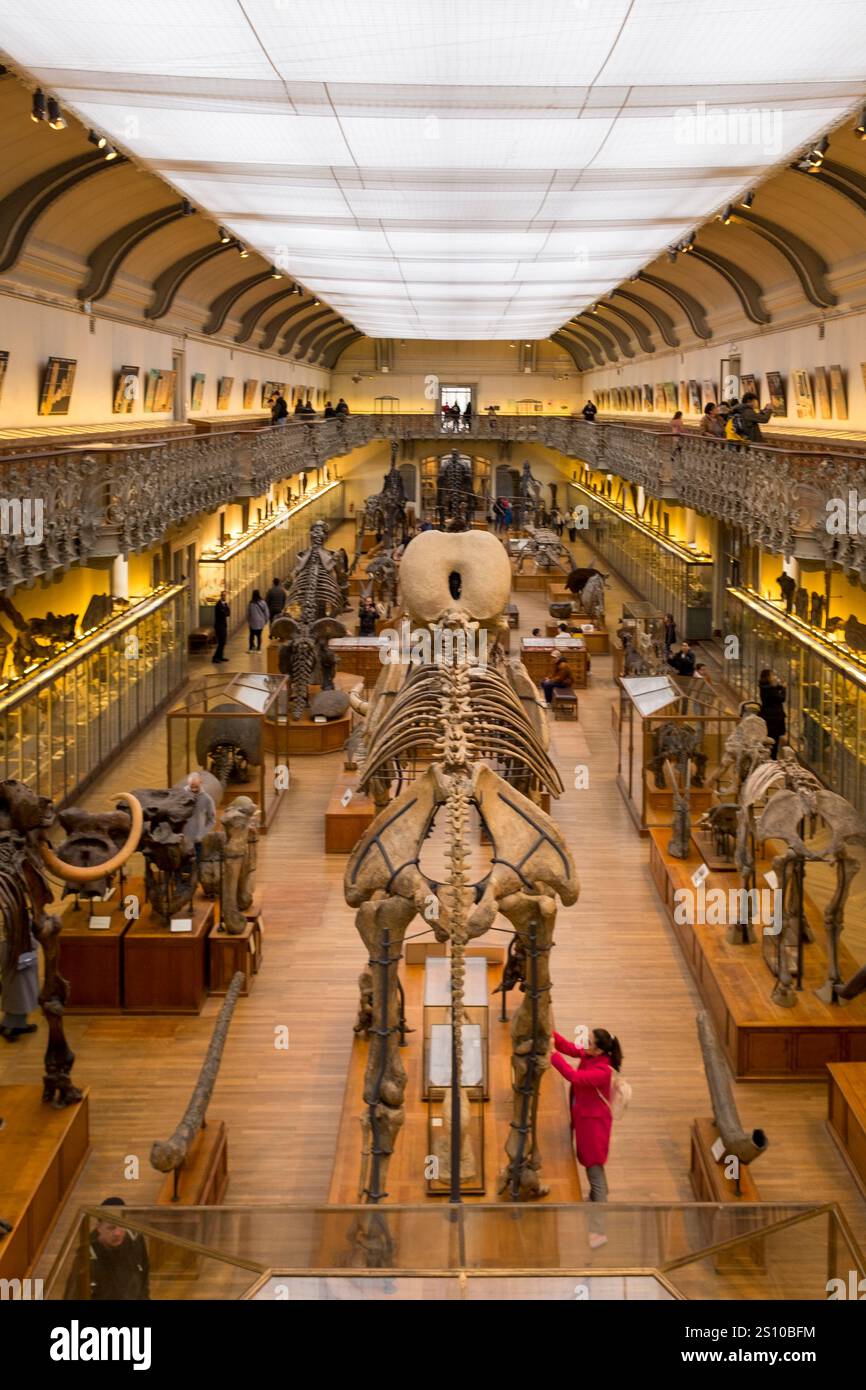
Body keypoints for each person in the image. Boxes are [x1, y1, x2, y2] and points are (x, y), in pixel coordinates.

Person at [551, 1027, 623, 1247]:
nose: (585, 1044)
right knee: (593, 1168)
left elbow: (574, 1076)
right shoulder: (593, 1054)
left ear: (599, 1048)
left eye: (590, 1042)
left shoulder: (603, 1070)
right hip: (585, 1120)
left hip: (593, 1126)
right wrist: (550, 1033)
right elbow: (571, 1048)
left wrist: (551, 1055)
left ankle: (598, 1230)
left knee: (594, 1169)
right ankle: (595, 1196)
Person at [80, 1198, 150, 1301]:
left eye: (121, 1225)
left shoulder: (135, 1238)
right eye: (111, 1228)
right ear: (99, 1227)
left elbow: (144, 1272)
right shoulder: (86, 1252)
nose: (117, 1233)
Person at [1, 912, 38, 1042]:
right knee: (18, 993)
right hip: (17, 952)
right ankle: (9, 1026)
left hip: (21, 952)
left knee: (23, 992)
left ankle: (18, 1024)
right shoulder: (12, 909)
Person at [183, 771, 215, 866]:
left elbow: (212, 820)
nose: (193, 789)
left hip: (198, 841)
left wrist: (202, 834)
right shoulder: (181, 795)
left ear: (201, 782)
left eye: (196, 787)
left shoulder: (207, 799)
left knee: (196, 868)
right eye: (191, 786)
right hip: (183, 841)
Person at [759, 667, 787, 757]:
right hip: (774, 719)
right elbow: (781, 698)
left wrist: (780, 687)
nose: (774, 677)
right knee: (773, 741)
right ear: (768, 677)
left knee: (770, 740)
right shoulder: (770, 690)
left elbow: (775, 688)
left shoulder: (764, 688)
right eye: (772, 675)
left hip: (768, 717)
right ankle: (772, 760)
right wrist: (784, 689)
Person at [212, 590, 230, 663]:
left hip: (223, 625)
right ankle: (215, 657)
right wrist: (225, 611)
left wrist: (225, 609)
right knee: (221, 642)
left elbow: (228, 613)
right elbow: (224, 614)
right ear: (221, 596)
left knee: (223, 642)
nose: (224, 597)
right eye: (223, 596)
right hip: (219, 626)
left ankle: (220, 656)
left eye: (225, 596)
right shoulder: (218, 605)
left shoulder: (224, 604)